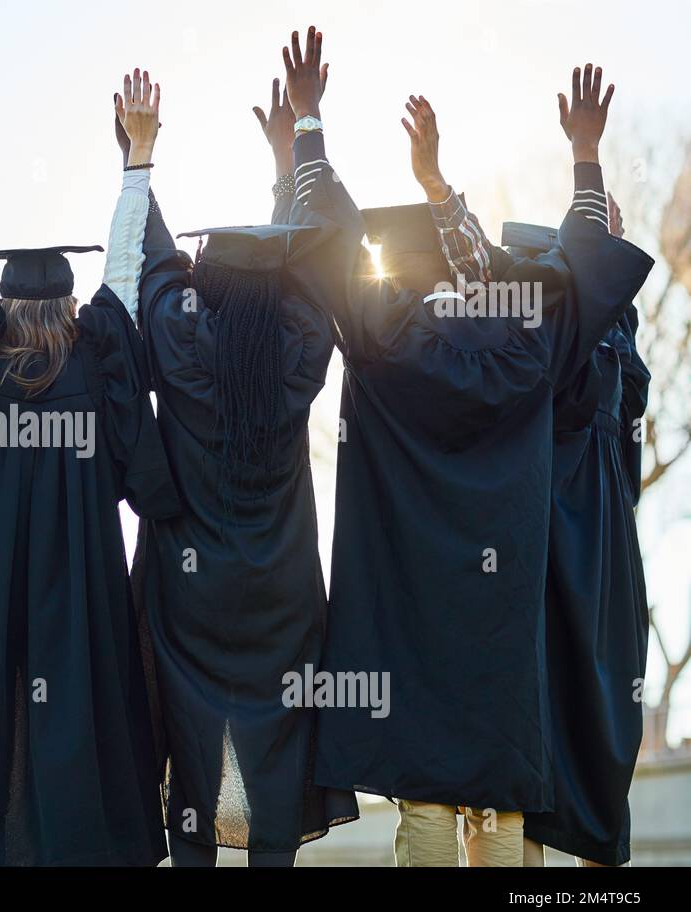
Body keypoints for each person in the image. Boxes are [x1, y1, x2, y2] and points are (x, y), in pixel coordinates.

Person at [275, 28, 653, 866]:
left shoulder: (376, 338)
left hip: (408, 613)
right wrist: (583, 161)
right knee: (506, 793)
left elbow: (329, 239)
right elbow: (576, 273)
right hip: (502, 616)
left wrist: (308, 129)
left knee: (427, 797)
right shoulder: (531, 347)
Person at [0, 83, 179, 866]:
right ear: (68, 300)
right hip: (80, 590)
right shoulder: (99, 365)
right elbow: (123, 274)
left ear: (4, 300)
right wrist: (137, 163)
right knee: (77, 730)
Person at [127, 76, 358, 866]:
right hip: (281, 594)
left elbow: (150, 262)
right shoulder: (299, 352)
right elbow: (319, 263)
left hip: (189, 597)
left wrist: (137, 155)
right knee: (274, 760)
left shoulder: (180, 346)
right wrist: (294, 156)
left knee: (193, 756)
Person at [518, 191, 651, 868]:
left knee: (599, 731)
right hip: (557, 531)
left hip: (596, 534)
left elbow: (627, 407)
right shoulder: (546, 337)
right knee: (551, 737)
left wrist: (609, 272)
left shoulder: (610, 340)